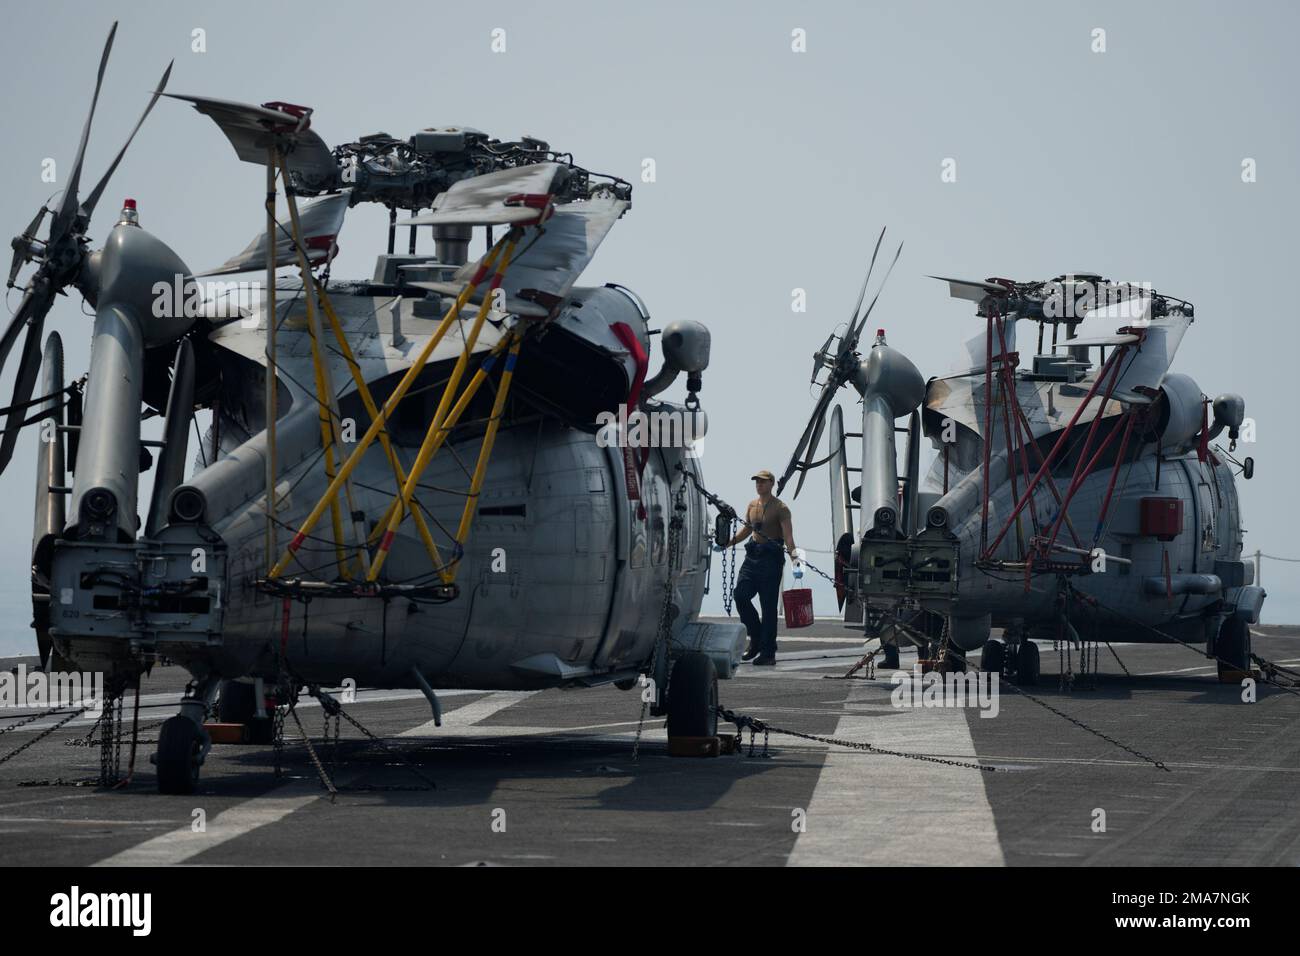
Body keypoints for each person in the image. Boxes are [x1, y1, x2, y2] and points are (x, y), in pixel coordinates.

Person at [714, 469, 801, 665]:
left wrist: (794, 558)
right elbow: (748, 530)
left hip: (771, 558)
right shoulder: (752, 505)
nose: (759, 485)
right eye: (757, 482)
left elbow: (788, 536)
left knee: (768, 608)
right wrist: (727, 543)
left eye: (763, 481)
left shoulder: (781, 508)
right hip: (752, 557)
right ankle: (756, 638)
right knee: (740, 595)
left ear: (771, 483)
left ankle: (768, 652)